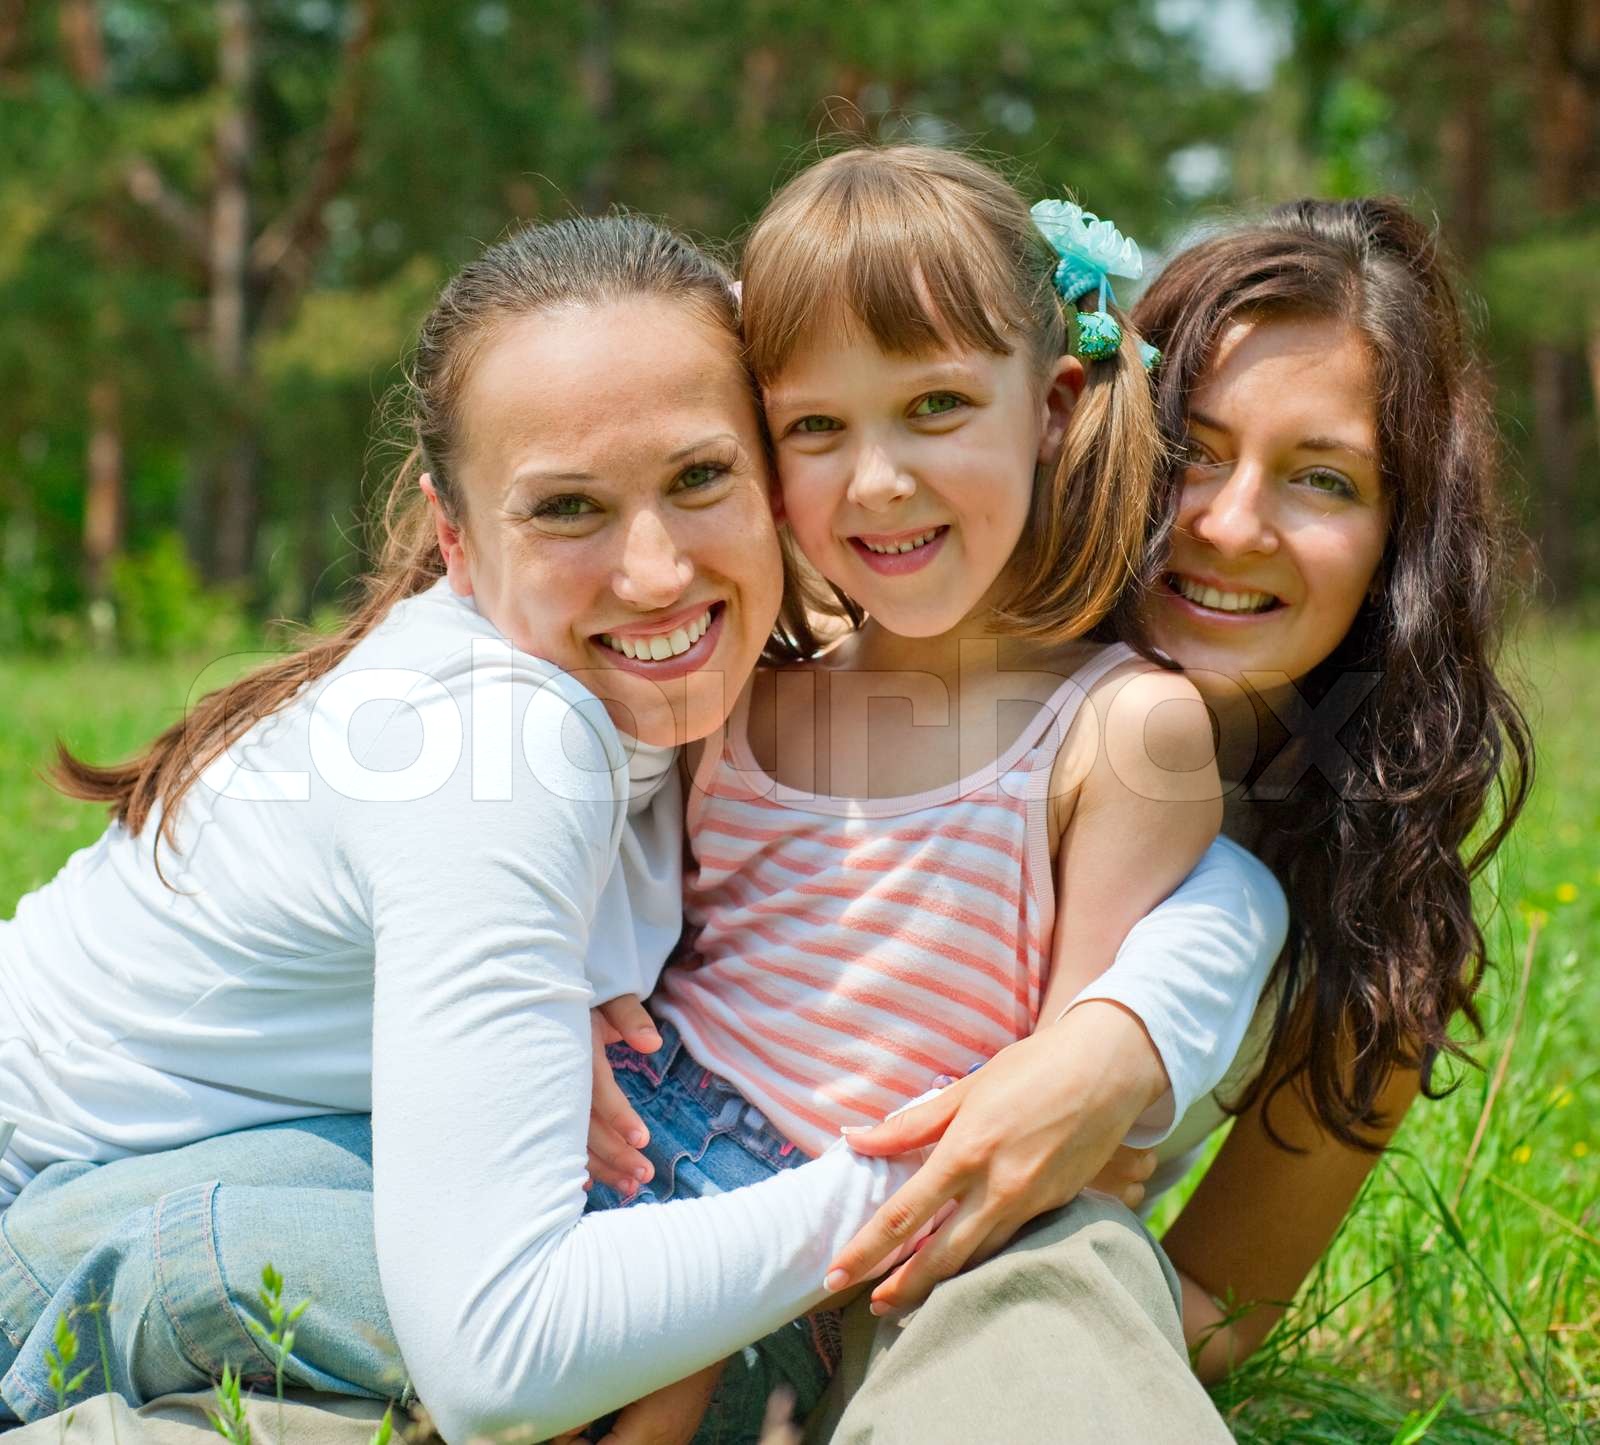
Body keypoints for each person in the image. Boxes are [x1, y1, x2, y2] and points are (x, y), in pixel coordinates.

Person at [0, 211, 1287, 1444]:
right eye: (567, 507)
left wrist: (1111, 1043)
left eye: (701, 474)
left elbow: (1172, 850)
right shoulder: (496, 749)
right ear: (455, 538)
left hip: (359, 1175)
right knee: (270, 1281)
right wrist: (946, 1169)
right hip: (59, 1191)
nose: (658, 570)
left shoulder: (735, 688)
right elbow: (501, 1346)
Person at [807, 196, 1532, 1441]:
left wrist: (1041, 1262)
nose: (1228, 522)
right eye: (1192, 448)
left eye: (1320, 478)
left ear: (1398, 543)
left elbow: (1213, 1298)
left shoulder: (1360, 940)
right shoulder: (891, 679)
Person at [580, 143, 1278, 1433]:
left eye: (938, 407)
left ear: (1056, 401)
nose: (879, 479)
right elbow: (614, 930)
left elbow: (1082, 1126)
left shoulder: (1120, 732)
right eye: (815, 429)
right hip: (613, 1172)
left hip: (827, 1261)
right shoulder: (745, 692)